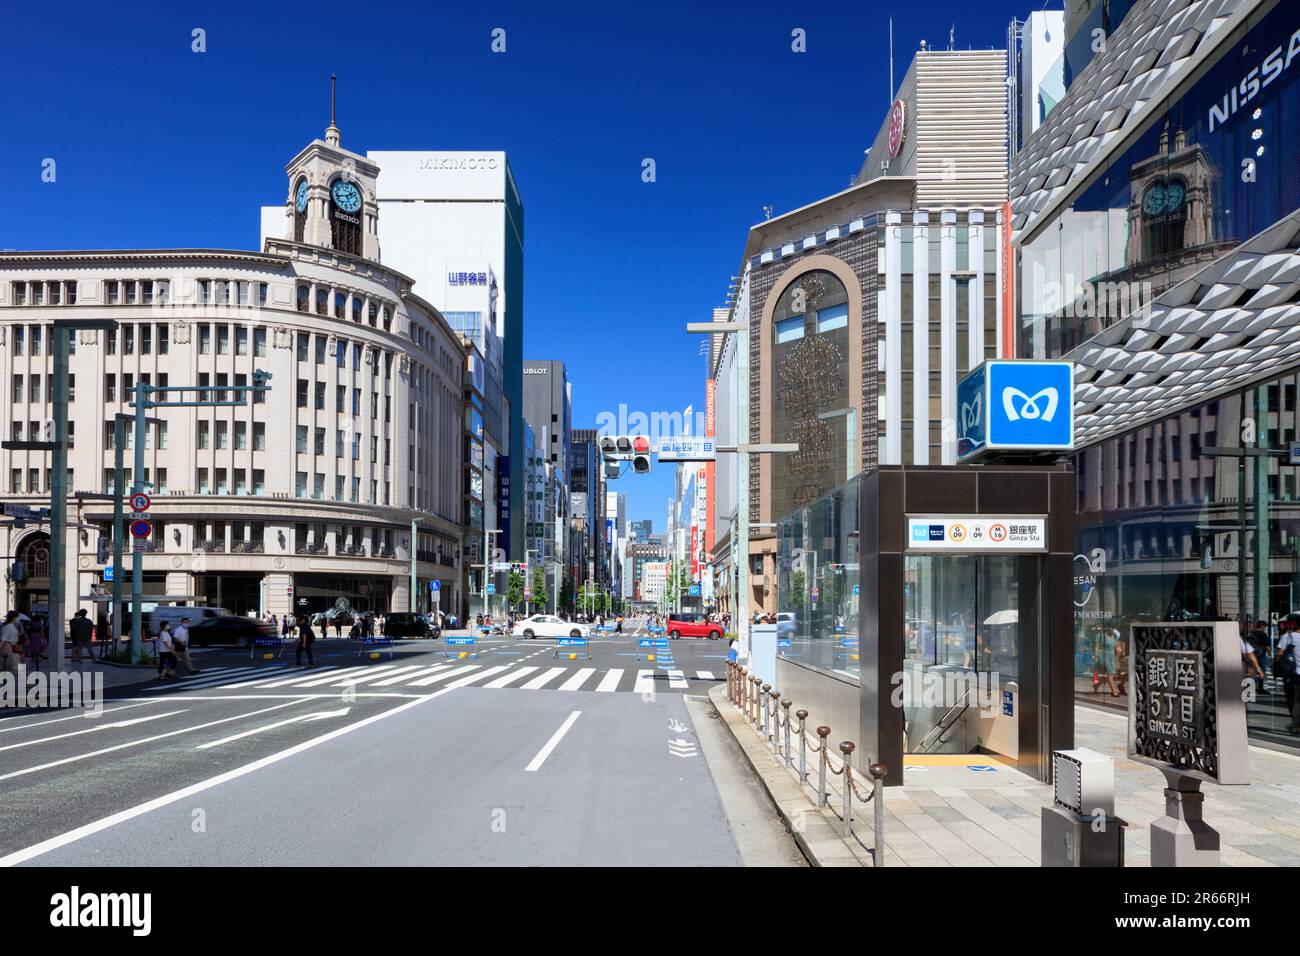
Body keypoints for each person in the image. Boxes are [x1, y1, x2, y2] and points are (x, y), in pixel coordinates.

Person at [1275, 628, 1300, 735]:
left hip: (1292, 673)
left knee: (1292, 700)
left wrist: (1276, 665)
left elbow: (1279, 653)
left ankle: (1296, 725)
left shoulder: (1287, 637)